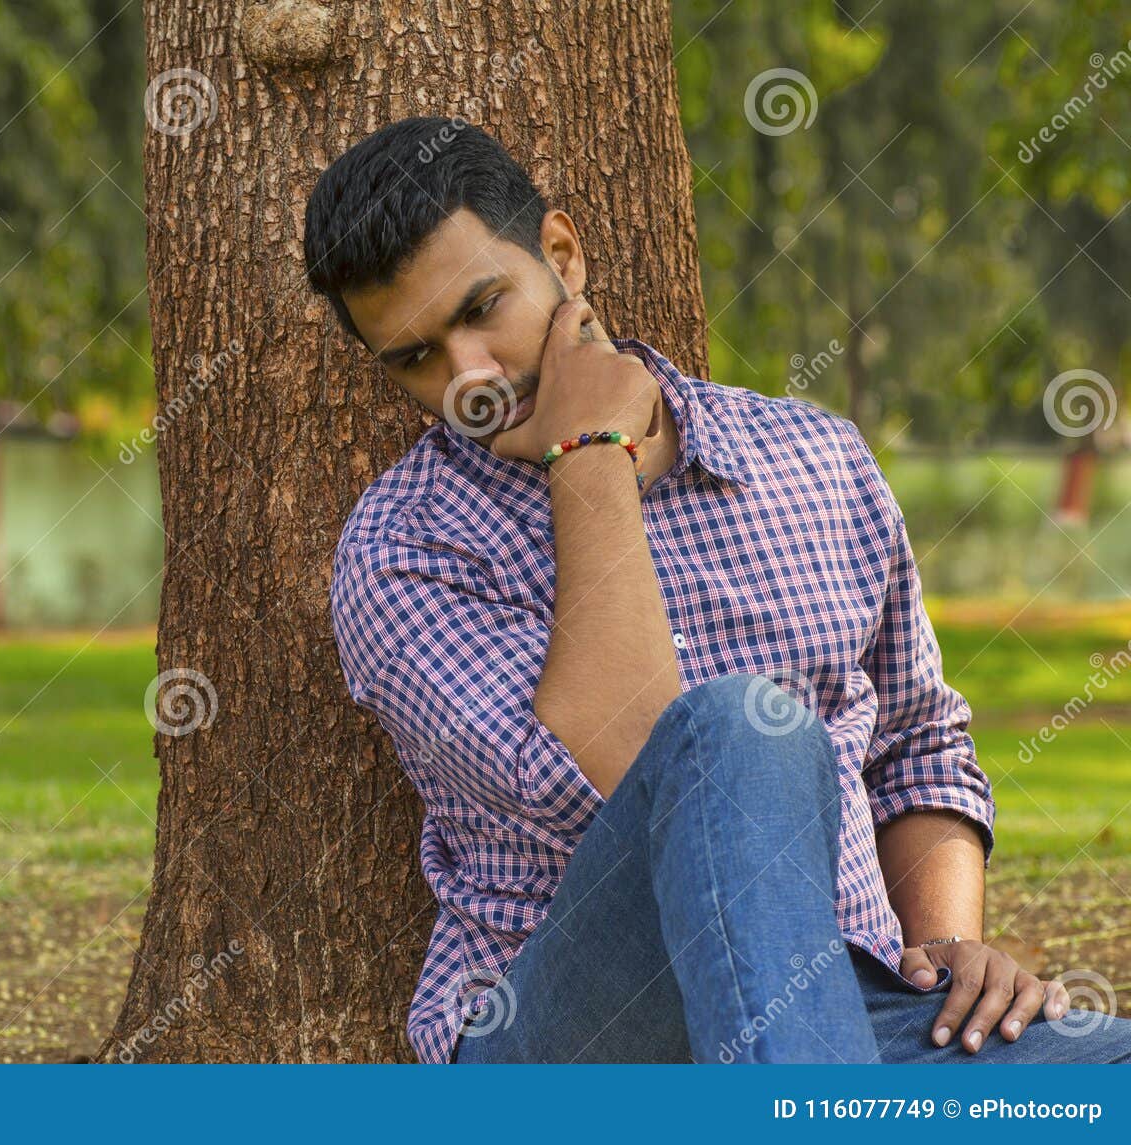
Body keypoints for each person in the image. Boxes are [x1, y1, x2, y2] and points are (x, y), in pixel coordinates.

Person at [307, 116, 1131, 1064]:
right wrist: (590, 454)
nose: (471, 379)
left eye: (483, 306)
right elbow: (635, 765)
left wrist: (945, 951)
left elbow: (915, 743)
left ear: (562, 257)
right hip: (588, 1045)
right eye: (417, 358)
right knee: (735, 728)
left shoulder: (812, 460)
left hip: (859, 1009)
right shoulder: (404, 552)